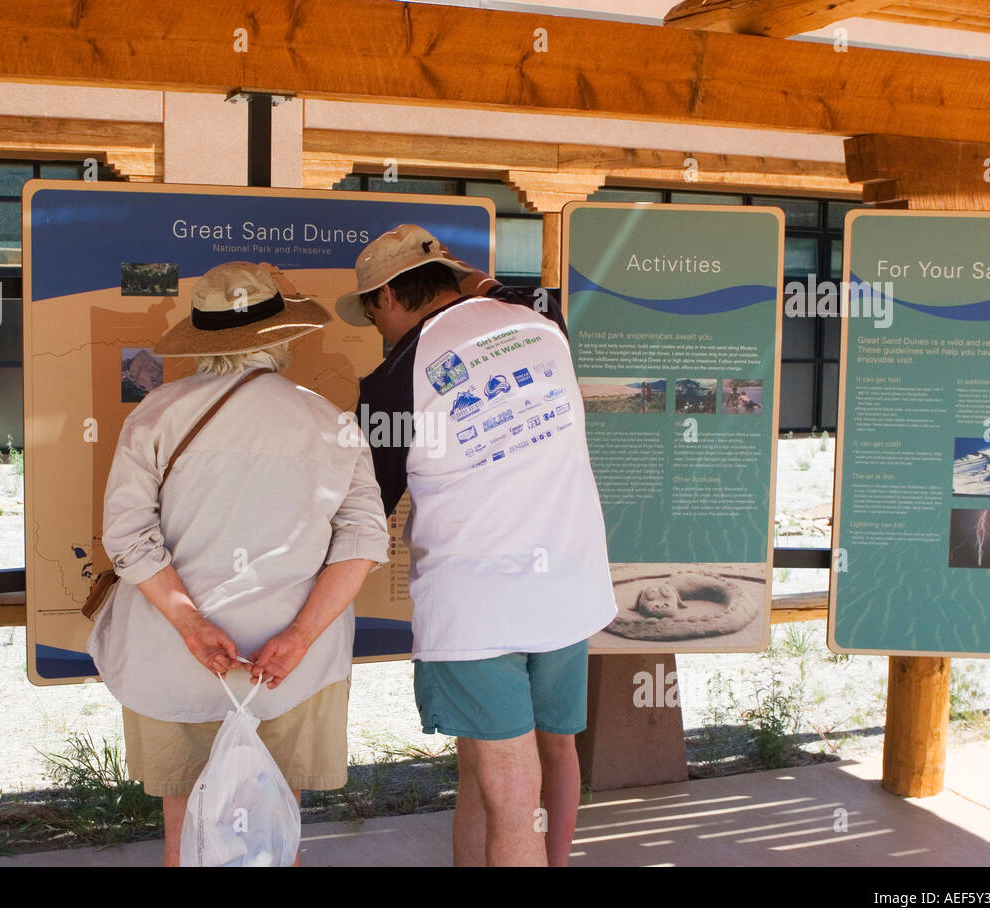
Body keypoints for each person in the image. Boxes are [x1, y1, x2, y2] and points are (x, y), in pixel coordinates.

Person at [88, 261, 389, 867]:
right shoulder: (329, 422)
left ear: (202, 338)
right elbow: (363, 540)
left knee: (188, 835)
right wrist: (300, 637)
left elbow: (127, 536)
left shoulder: (154, 414)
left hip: (173, 660)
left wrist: (194, 627)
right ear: (282, 335)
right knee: (276, 831)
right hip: (291, 672)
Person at [341, 224, 615, 867]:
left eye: (369, 310)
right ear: (450, 278)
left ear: (386, 297)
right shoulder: (540, 321)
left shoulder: (393, 380)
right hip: (568, 592)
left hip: (477, 613)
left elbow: (367, 510)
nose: (374, 325)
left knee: (511, 802)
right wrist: (463, 276)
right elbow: (516, 291)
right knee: (498, 782)